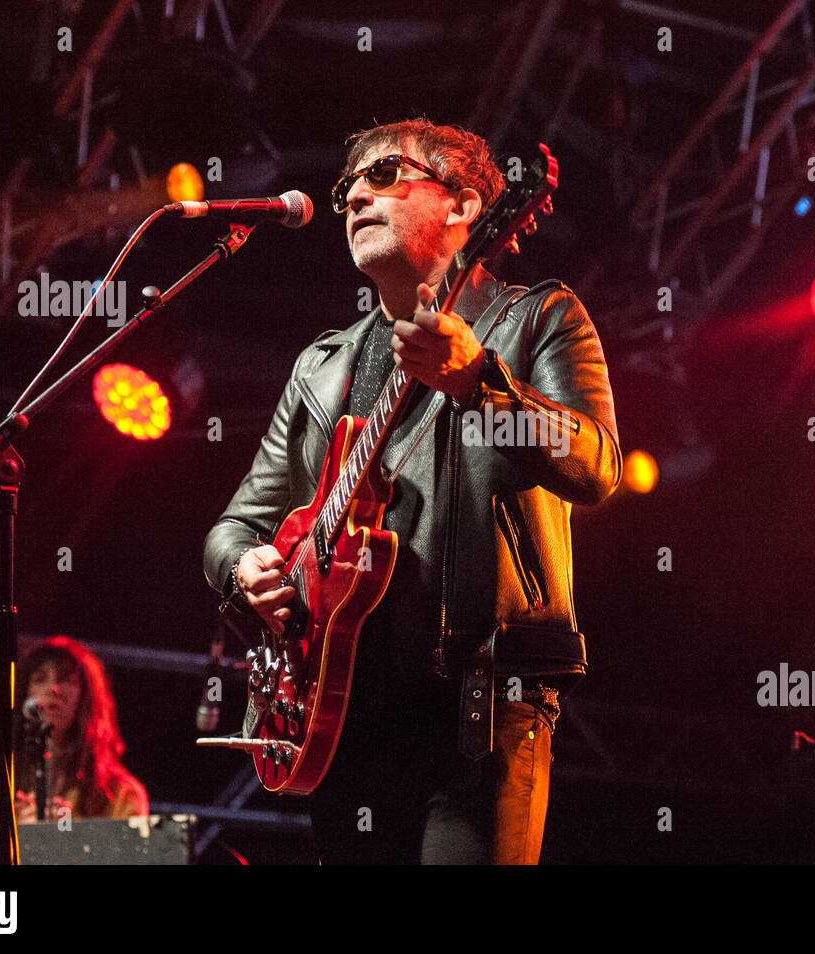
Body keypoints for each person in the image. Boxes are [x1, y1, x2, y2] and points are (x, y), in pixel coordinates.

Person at [204, 118, 620, 864]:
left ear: (463, 208)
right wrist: (244, 568)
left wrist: (482, 385)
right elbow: (236, 525)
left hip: (481, 707)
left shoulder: (537, 318)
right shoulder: (319, 366)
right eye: (347, 186)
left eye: (383, 175)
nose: (355, 195)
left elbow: (594, 466)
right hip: (342, 712)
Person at [0, 636, 148, 825]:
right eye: (40, 679)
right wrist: (19, 836)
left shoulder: (121, 793)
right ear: (23, 694)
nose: (54, 689)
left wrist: (64, 834)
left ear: (85, 698)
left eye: (66, 679)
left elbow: (127, 853)